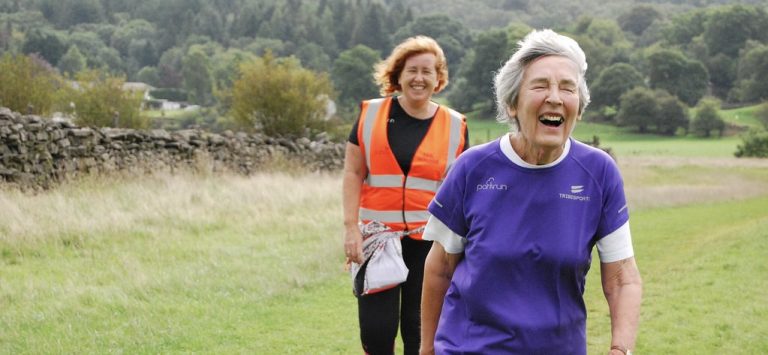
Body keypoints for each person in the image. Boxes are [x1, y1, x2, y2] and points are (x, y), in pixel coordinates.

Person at [419, 29, 642, 355]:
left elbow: (623, 278)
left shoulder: (599, 173)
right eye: (540, 86)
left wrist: (620, 349)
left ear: (578, 108)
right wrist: (426, 350)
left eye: (567, 88)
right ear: (512, 104)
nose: (555, 97)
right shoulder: (472, 168)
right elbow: (439, 268)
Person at [342, 35, 469, 355]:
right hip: (377, 239)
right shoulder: (370, 114)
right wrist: (350, 228)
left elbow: (461, 190)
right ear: (397, 75)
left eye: (428, 71)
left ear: (439, 78)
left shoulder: (455, 125)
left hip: (429, 243)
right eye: (412, 70)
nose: (419, 78)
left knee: (420, 332)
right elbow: (353, 172)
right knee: (376, 331)